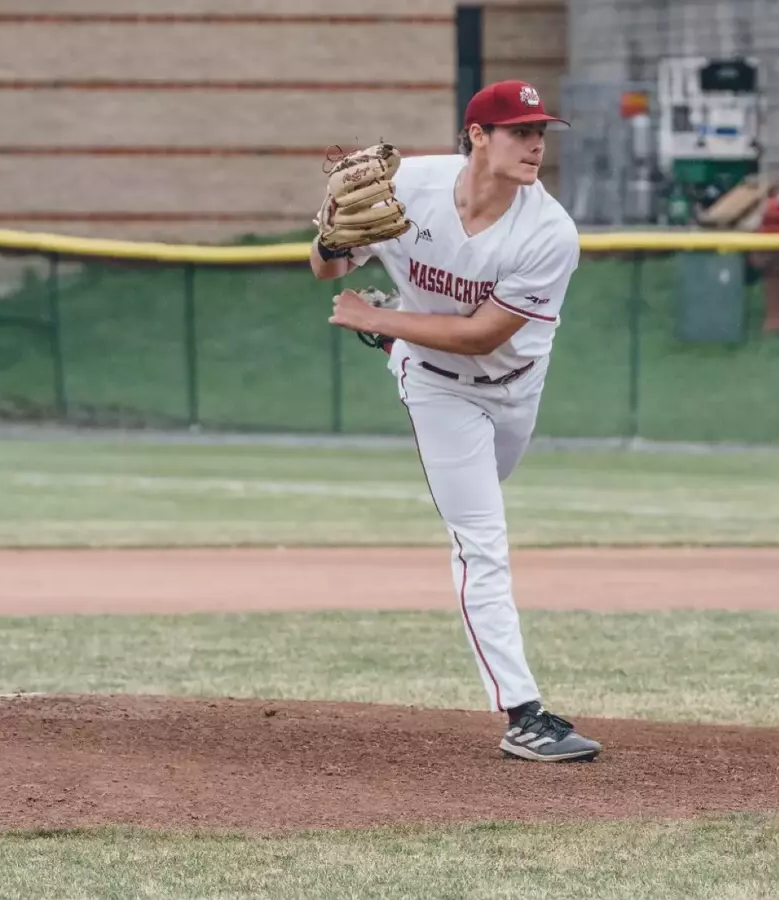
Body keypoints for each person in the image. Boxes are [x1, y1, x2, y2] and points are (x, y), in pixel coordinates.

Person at [308, 80, 601, 763]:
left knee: (486, 497)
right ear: (477, 136)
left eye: (540, 132)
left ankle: (398, 337)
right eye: (519, 131)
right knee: (480, 541)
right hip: (438, 387)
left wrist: (380, 320)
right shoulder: (410, 187)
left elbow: (482, 335)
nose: (535, 145)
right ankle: (524, 714)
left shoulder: (549, 232)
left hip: (516, 385)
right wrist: (327, 237)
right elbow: (326, 269)